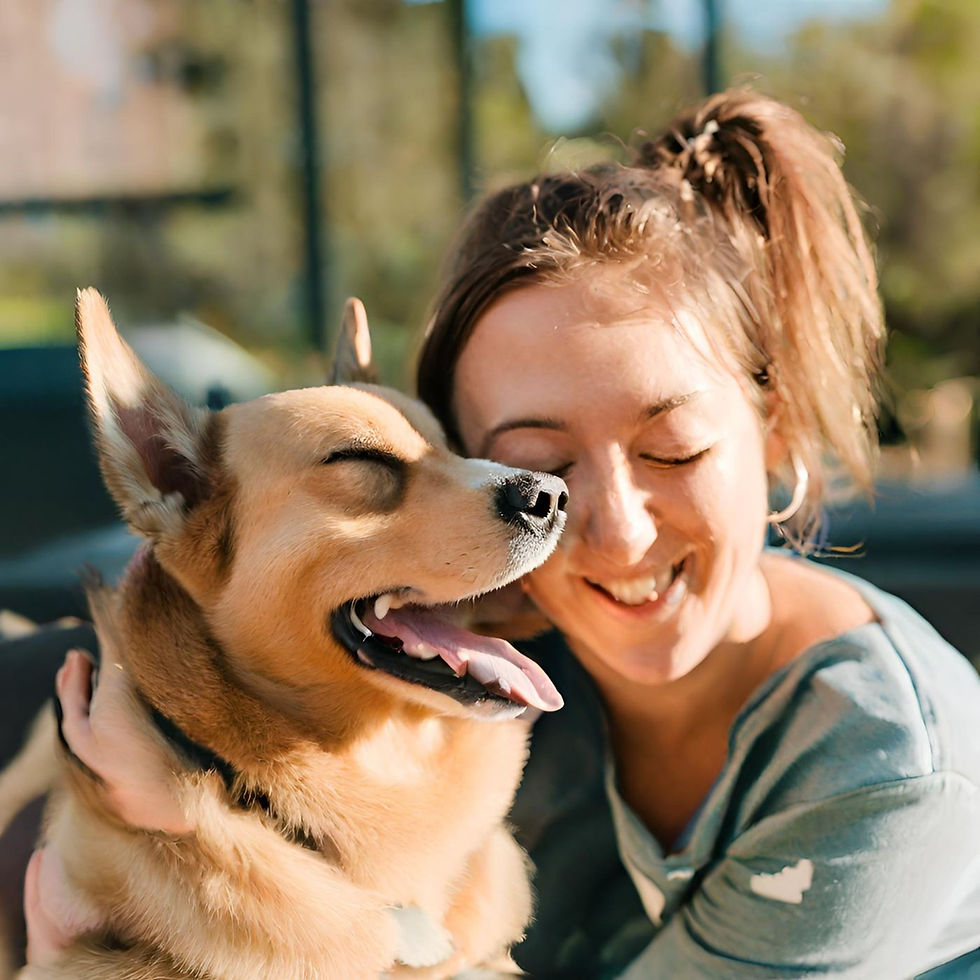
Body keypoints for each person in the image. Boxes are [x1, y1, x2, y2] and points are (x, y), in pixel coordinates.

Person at [12, 89, 980, 978]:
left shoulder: (887, 770)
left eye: (673, 448)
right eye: (536, 474)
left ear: (769, 426)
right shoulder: (472, 652)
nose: (613, 527)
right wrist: (178, 790)